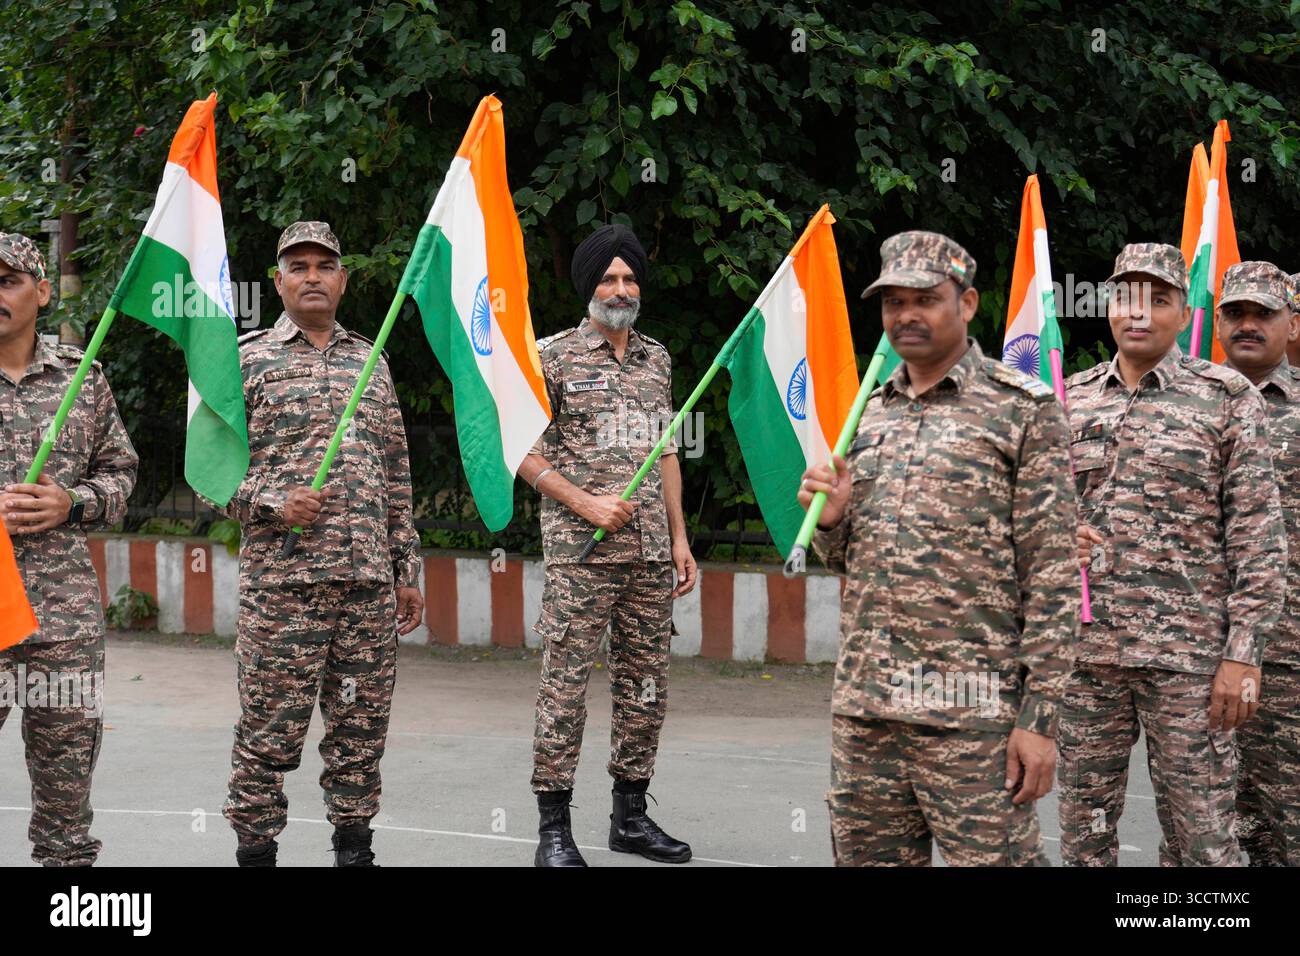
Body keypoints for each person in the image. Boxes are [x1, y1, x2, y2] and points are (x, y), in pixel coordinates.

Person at [799, 230, 1079, 866]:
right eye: (893, 301)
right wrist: (832, 522)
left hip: (972, 714)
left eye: (925, 299)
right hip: (869, 713)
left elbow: (1055, 578)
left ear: (969, 303)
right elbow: (848, 564)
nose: (906, 315)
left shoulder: (1023, 411)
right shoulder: (868, 414)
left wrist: (1039, 720)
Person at [1061, 243, 1286, 866]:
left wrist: (1244, 655)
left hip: (1190, 661)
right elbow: (1030, 525)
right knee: (1084, 834)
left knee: (1205, 838)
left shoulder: (1225, 397)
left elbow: (1259, 535)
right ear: (1109, 306)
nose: (1140, 313)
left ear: (1183, 315)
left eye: (1158, 300)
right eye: (1127, 297)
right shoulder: (1069, 399)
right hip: (1086, 657)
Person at [215, 221, 423, 867]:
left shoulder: (372, 358)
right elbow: (211, 474)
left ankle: (354, 851)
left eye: (324, 265)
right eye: (297, 265)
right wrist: (273, 501)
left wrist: (406, 566)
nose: (311, 276)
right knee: (268, 733)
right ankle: (256, 852)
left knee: (360, 733)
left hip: (366, 583)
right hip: (283, 585)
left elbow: (394, 470)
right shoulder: (244, 360)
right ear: (277, 280)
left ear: (343, 279)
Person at [518, 223, 697, 867]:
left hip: (649, 555)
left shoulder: (657, 359)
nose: (619, 289)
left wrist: (680, 537)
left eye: (629, 278)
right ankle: (553, 829)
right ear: (587, 284)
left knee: (645, 687)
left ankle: (630, 816)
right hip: (581, 554)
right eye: (607, 277)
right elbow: (524, 454)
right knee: (565, 687)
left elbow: (668, 450)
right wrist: (584, 502)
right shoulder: (551, 356)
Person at [0, 231, 138, 866]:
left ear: (42, 292)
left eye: (9, 281)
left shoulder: (83, 378)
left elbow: (121, 473)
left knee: (66, 789)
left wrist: (72, 503)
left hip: (64, 614)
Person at [1215, 260, 1300, 865]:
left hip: (1290, 660)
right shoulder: (1186, 408)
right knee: (1206, 832)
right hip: (1192, 656)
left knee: (1286, 826)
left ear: (1291, 324)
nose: (1248, 324)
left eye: (1263, 314)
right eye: (1235, 313)